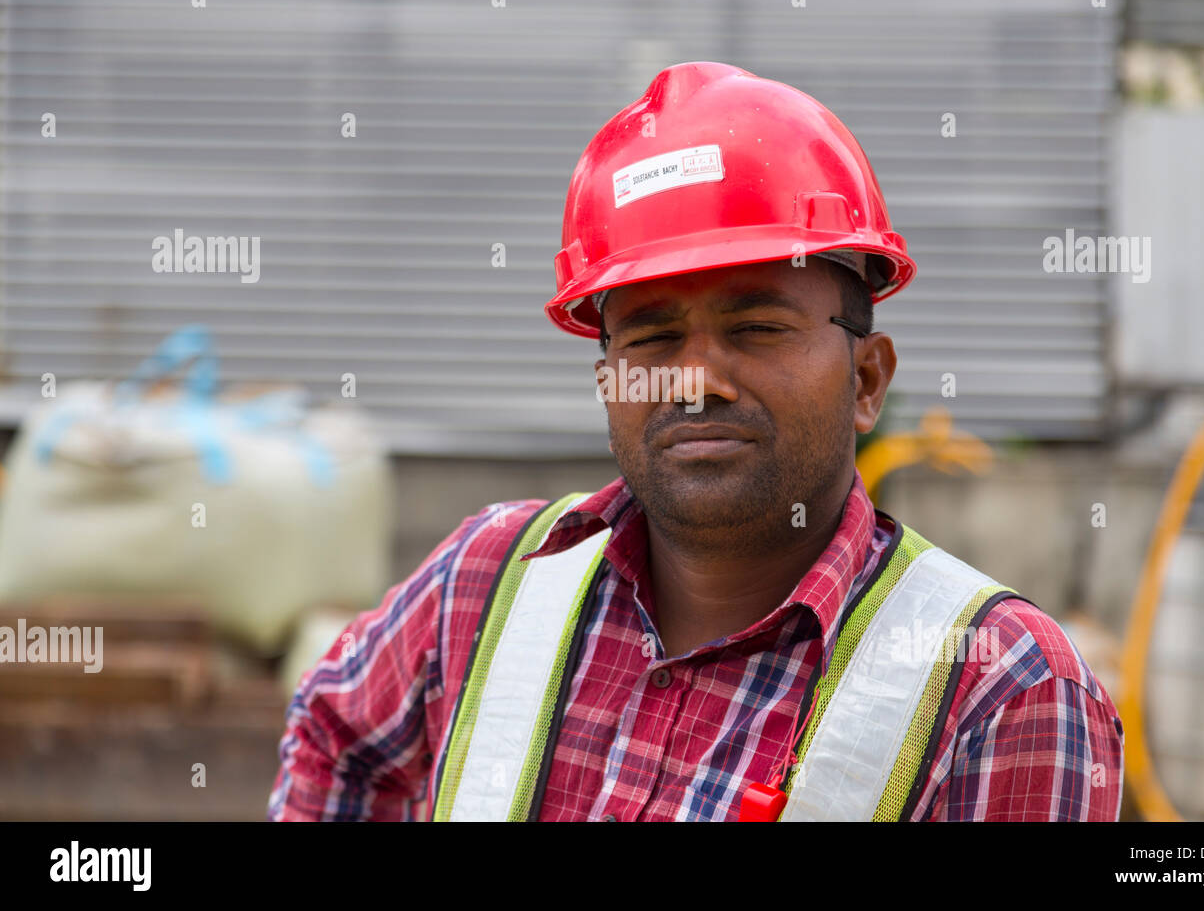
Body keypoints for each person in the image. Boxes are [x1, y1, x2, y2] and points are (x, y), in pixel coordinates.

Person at [268, 62, 1124, 822]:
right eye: (650, 336)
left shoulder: (1006, 690)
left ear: (867, 381)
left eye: (757, 327)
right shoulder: (487, 580)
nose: (695, 378)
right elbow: (334, 738)